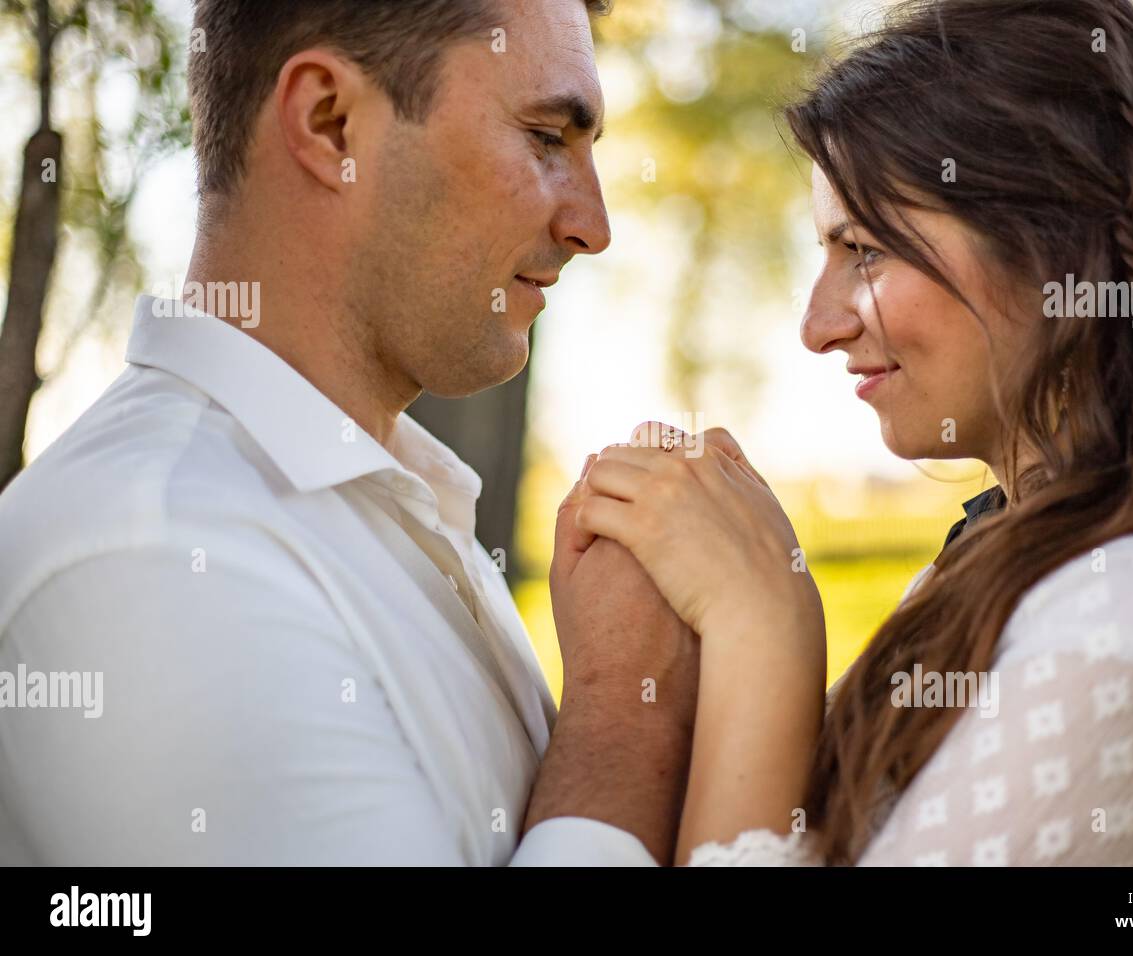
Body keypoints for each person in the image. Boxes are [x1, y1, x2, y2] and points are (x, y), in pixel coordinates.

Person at [570, 0, 1133, 865]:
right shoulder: (999, 570)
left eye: (867, 250)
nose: (819, 324)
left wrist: (760, 628)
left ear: (1054, 249)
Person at [0, 0, 697, 865]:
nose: (592, 225)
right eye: (547, 138)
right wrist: (630, 712)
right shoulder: (149, 553)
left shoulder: (388, 503)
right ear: (331, 125)